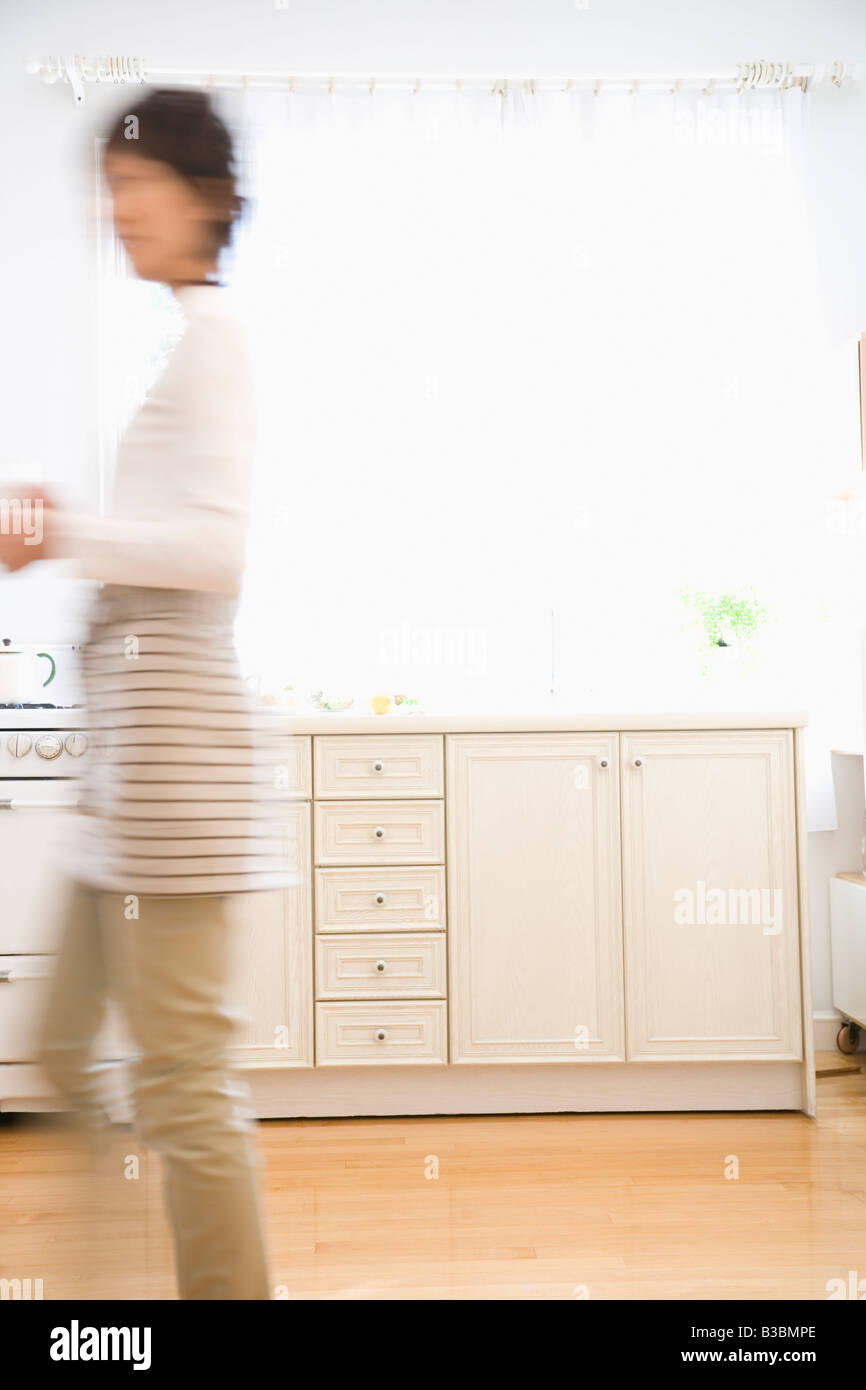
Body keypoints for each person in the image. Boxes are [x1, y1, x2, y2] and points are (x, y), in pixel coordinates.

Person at [0, 88, 286, 1300]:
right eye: (105, 190)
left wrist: (67, 534)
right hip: (128, 780)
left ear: (205, 196)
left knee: (183, 1086)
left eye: (132, 186)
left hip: (179, 777)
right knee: (65, 1050)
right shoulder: (177, 340)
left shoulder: (214, 341)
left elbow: (214, 554)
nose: (113, 211)